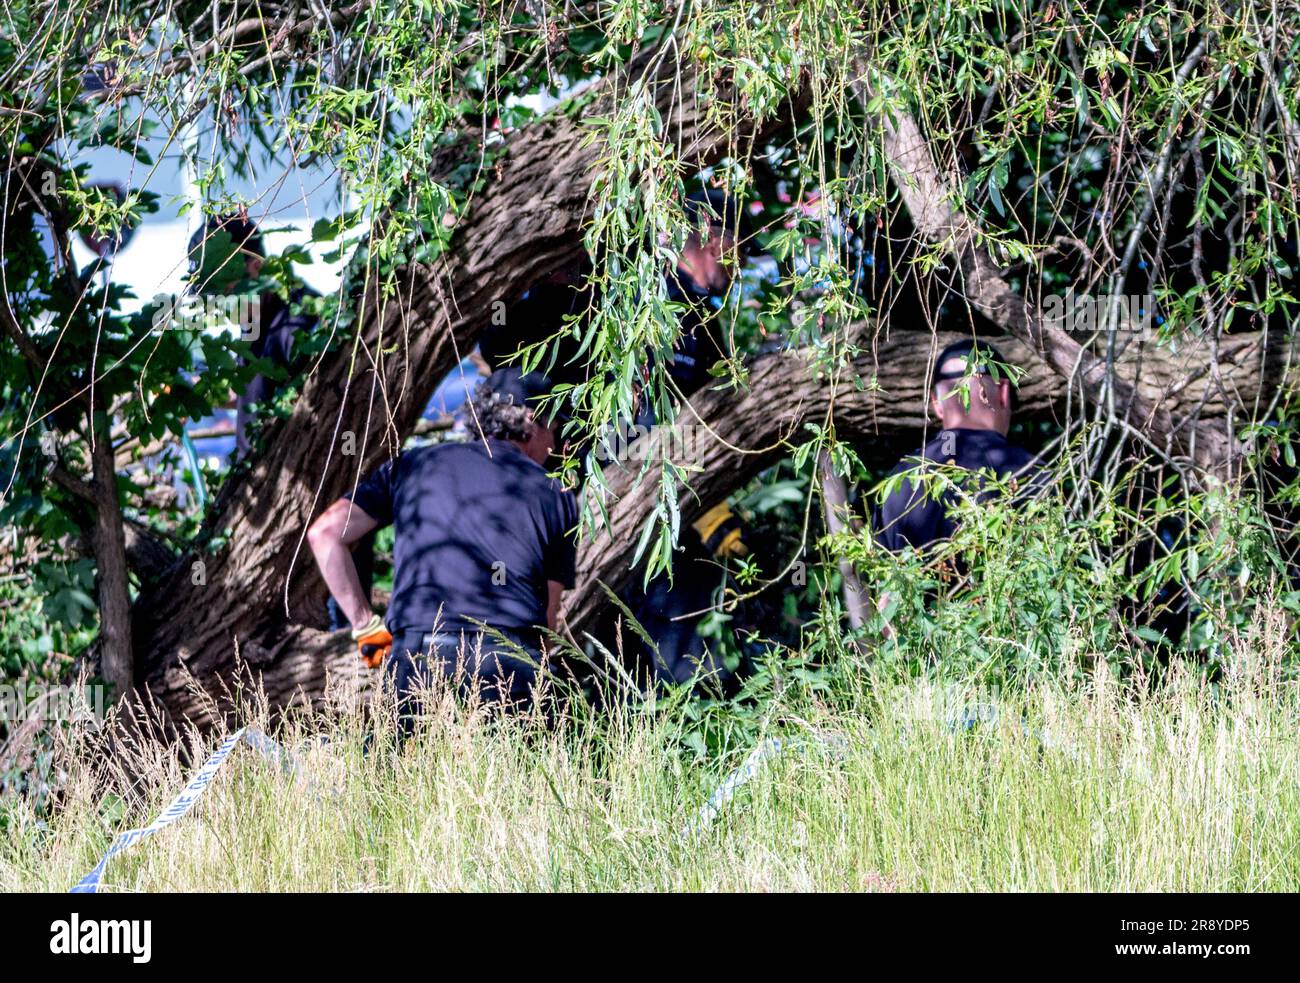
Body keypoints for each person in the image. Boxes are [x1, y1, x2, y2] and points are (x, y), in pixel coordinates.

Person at [307, 367, 578, 736]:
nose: (553, 446)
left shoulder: (414, 465)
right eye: (555, 429)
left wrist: (367, 629)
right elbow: (547, 621)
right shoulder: (556, 494)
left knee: (393, 788)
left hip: (418, 662)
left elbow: (325, 534)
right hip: (511, 665)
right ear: (532, 420)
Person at [874, 339, 1039, 553]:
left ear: (936, 404)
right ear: (1004, 393)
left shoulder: (899, 480)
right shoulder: (1031, 473)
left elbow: (880, 575)